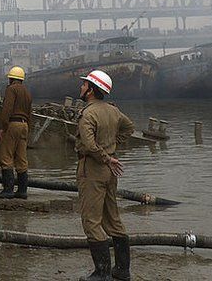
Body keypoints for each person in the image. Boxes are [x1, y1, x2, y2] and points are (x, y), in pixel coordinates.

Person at [75, 69, 135, 281]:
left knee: (91, 221)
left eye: (84, 85)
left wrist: (105, 156)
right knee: (113, 219)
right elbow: (129, 127)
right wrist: (112, 148)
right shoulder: (113, 111)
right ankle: (122, 270)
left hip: (93, 168)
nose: (81, 87)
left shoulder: (88, 113)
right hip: (110, 171)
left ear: (91, 90)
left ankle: (101, 273)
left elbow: (89, 145)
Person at [0, 66, 32, 199]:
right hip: (24, 125)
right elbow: (30, 113)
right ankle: (22, 190)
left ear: (11, 79)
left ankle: (8, 190)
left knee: (6, 157)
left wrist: (3, 128)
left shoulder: (11, 89)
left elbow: (7, 110)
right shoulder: (27, 92)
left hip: (13, 124)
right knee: (22, 158)